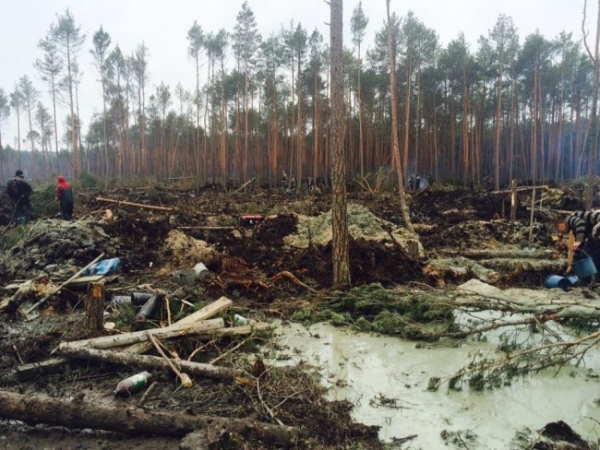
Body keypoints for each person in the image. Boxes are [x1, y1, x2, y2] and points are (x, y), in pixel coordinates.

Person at [556, 210, 600, 282]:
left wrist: (578, 241)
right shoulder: (579, 231)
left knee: (585, 256)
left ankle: (585, 282)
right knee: (596, 256)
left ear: (561, 224)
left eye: (559, 230)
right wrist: (572, 265)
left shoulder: (569, 219)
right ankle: (597, 282)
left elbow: (580, 223)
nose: (561, 233)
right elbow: (579, 249)